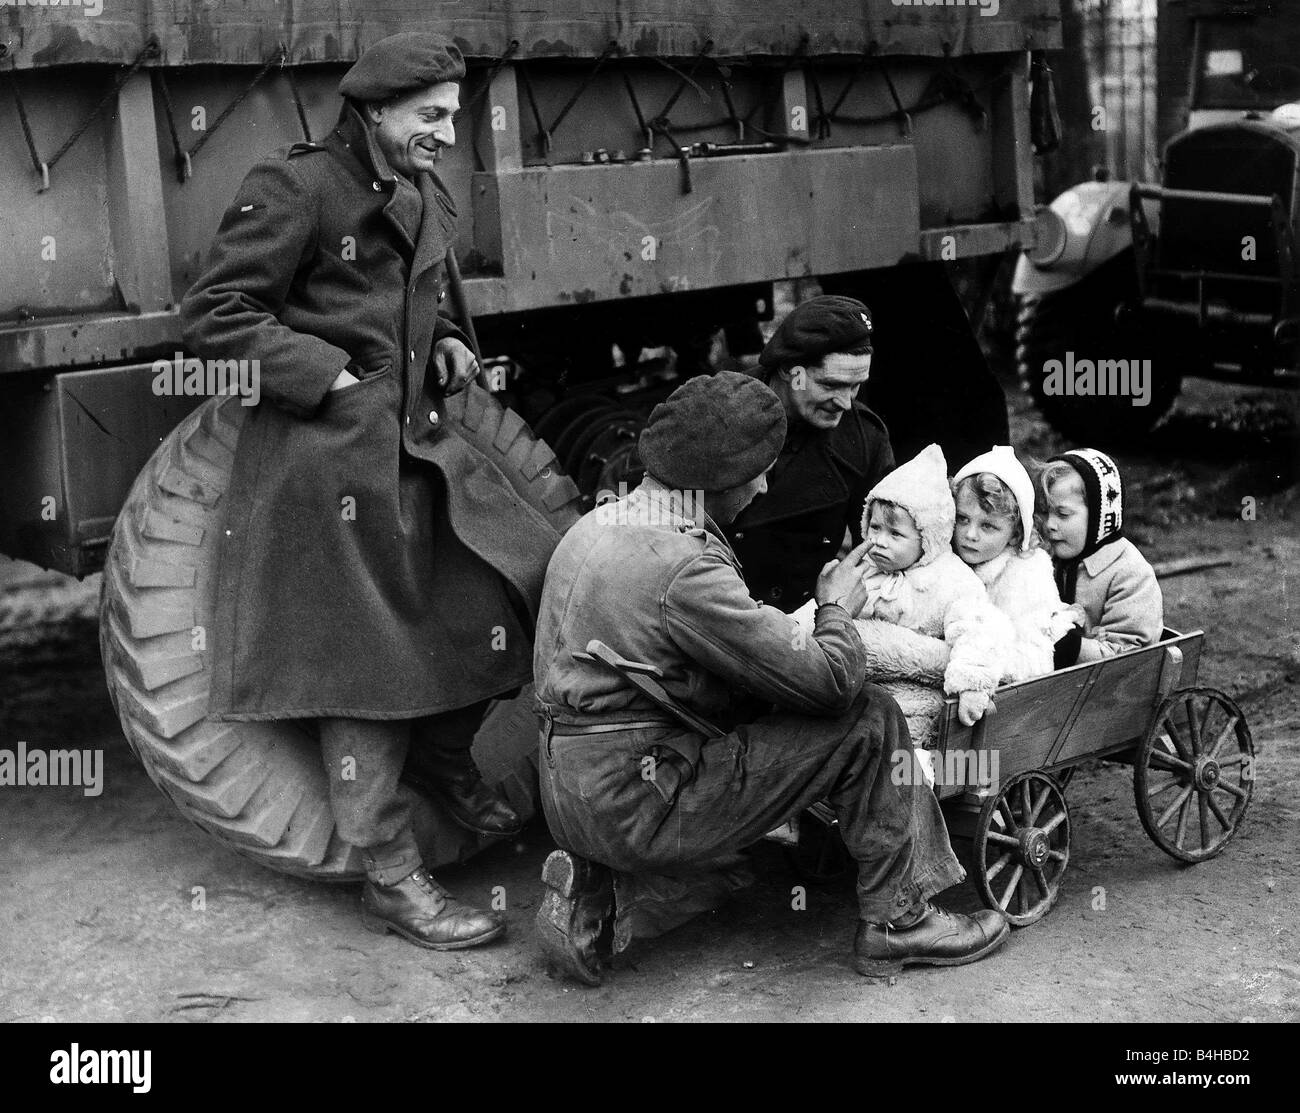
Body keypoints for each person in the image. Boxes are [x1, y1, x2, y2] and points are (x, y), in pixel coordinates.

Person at [180, 32, 562, 950]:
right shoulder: (299, 185)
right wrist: (327, 374)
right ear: (376, 110)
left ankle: (441, 759)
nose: (446, 132)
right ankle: (390, 871)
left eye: (453, 117)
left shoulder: (416, 185)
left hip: (414, 443)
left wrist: (445, 346)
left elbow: (413, 298)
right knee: (368, 661)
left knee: (516, 580)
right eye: (430, 116)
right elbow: (214, 314)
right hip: (326, 462)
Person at [532, 372, 1010, 985]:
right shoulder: (684, 565)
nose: (763, 484)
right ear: (718, 476)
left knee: (739, 856)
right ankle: (899, 921)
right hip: (637, 797)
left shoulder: (598, 524)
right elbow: (832, 682)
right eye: (757, 469)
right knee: (867, 717)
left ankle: (604, 894)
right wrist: (835, 606)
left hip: (570, 786)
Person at [792, 445, 1005, 785]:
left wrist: (972, 686)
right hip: (860, 691)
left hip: (917, 700)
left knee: (906, 745)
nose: (879, 542)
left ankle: (909, 783)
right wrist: (787, 632)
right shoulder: (863, 571)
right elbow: (822, 608)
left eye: (895, 534)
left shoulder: (952, 581)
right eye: (874, 528)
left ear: (928, 537)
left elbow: (977, 632)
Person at [725, 296, 896, 612]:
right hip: (718, 613)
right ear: (791, 369)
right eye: (831, 384)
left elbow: (882, 548)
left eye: (856, 386)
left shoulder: (861, 439)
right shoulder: (720, 413)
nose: (845, 403)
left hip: (805, 622)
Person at [951, 446, 1075, 682]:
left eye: (987, 525)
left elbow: (1036, 658)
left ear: (1016, 535)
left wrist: (975, 664)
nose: (970, 534)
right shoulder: (951, 561)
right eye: (962, 519)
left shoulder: (1026, 575)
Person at [1036, 449, 1164, 666]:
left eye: (1063, 514)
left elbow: (1126, 656)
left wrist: (1065, 643)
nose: (1050, 524)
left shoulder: (1130, 573)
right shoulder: (1048, 558)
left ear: (1099, 516)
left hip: (1106, 687)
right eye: (1046, 512)